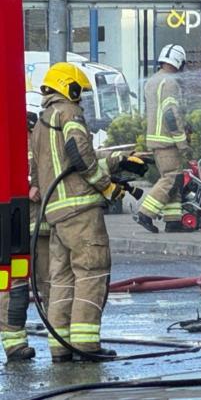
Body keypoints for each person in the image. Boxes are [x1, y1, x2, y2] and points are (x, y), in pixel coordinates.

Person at [29, 62, 131, 362]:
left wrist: (118, 159)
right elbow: (81, 154)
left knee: (61, 279)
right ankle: (86, 345)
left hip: (55, 215)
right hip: (81, 210)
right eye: (79, 92)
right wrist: (107, 187)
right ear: (67, 87)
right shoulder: (69, 113)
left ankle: (61, 348)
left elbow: (41, 172)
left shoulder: (41, 124)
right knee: (91, 272)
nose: (81, 98)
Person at [0, 112, 51, 361]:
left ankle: (59, 339)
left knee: (47, 283)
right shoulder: (10, 148)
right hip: (15, 231)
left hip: (37, 229)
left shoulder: (32, 148)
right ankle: (14, 344)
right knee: (15, 287)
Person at [135, 44, 193, 233]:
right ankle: (145, 213)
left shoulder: (153, 80)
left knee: (175, 180)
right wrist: (182, 142)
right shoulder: (170, 83)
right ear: (178, 61)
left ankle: (173, 221)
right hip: (167, 141)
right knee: (170, 178)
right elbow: (170, 114)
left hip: (156, 139)